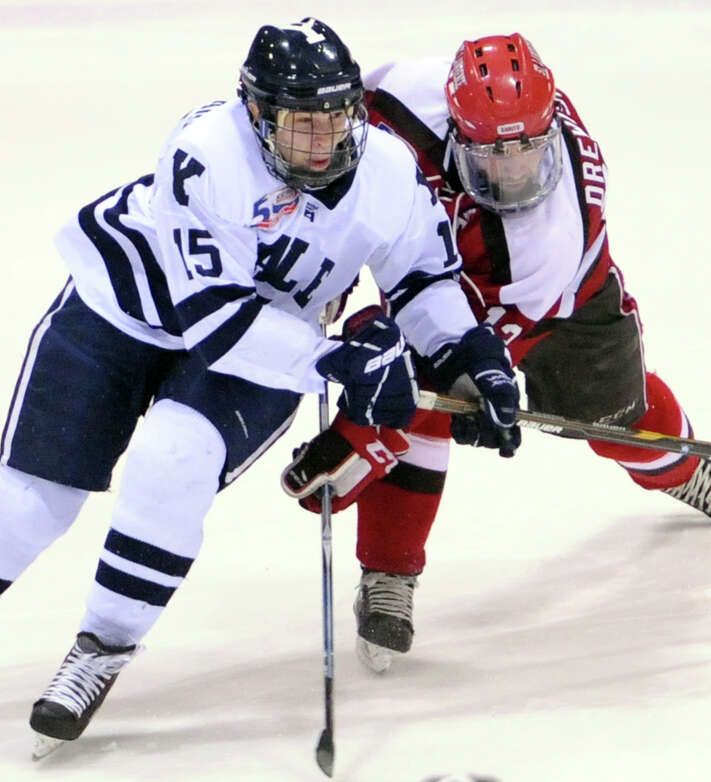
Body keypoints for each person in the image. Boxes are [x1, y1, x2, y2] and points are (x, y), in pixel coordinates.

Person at [0, 18, 519, 755]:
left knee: (172, 460)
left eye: (336, 118)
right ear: (255, 113)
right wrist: (339, 362)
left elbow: (425, 279)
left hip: (273, 341)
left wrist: (470, 355)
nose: (322, 140)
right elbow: (216, 320)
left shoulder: (388, 175)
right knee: (27, 506)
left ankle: (102, 647)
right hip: (122, 312)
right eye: (301, 123)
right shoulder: (207, 153)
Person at [281, 33, 711, 673]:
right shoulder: (400, 98)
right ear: (456, 125)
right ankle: (389, 572)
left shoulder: (546, 238)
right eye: (491, 158)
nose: (512, 174)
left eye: (528, 154)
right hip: (433, 258)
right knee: (417, 399)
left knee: (603, 416)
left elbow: (456, 367)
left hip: (560, 303)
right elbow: (325, 139)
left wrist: (361, 433)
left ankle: (678, 466)